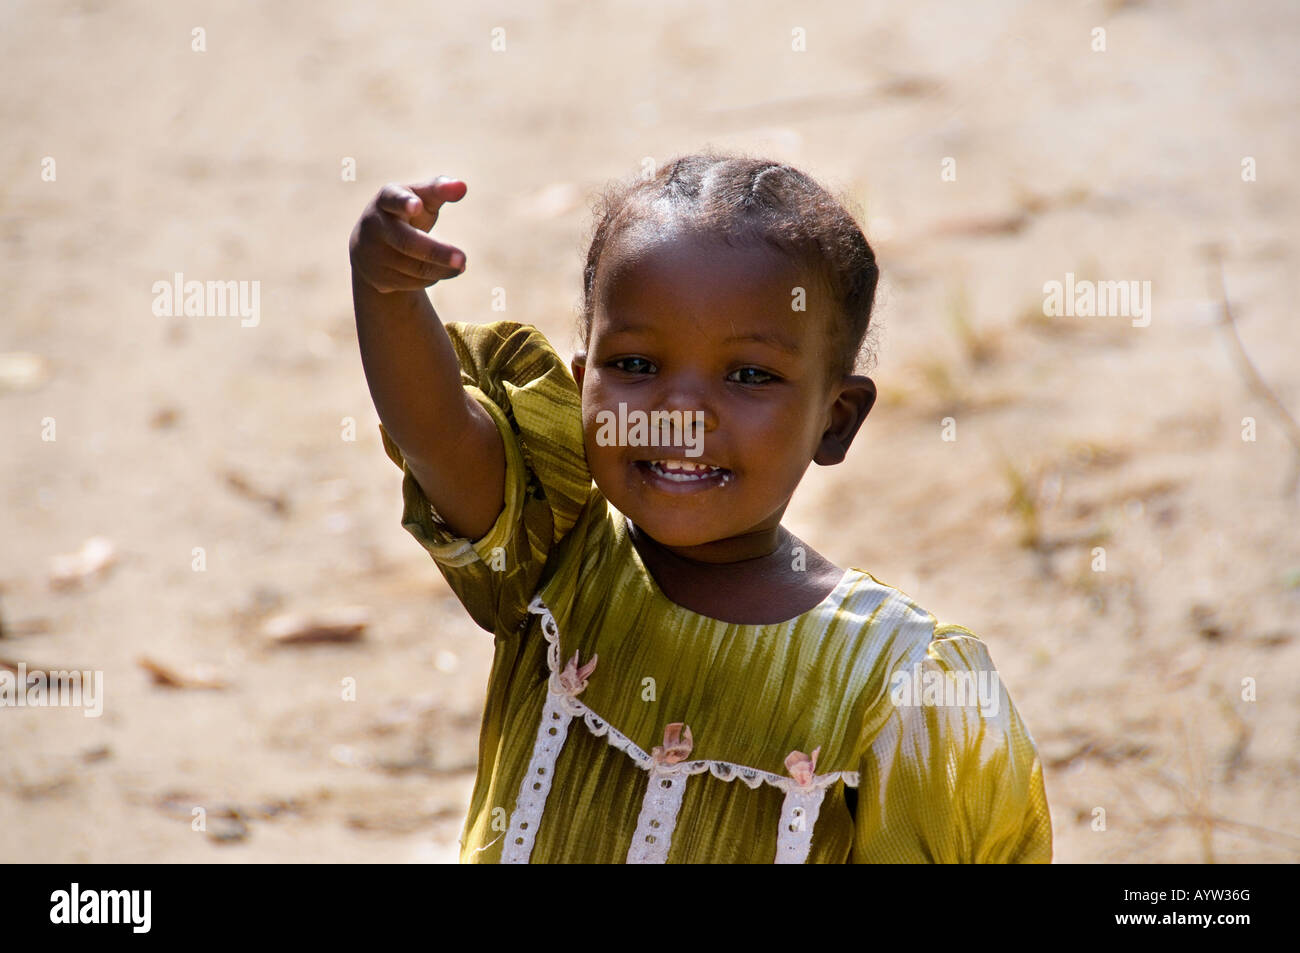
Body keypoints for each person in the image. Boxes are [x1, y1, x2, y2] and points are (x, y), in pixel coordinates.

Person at [349, 153, 1053, 863]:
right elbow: (437, 432)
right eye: (634, 365)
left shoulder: (896, 683)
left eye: (750, 375)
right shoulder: (551, 555)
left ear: (835, 420)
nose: (681, 412)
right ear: (579, 386)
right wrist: (387, 294)